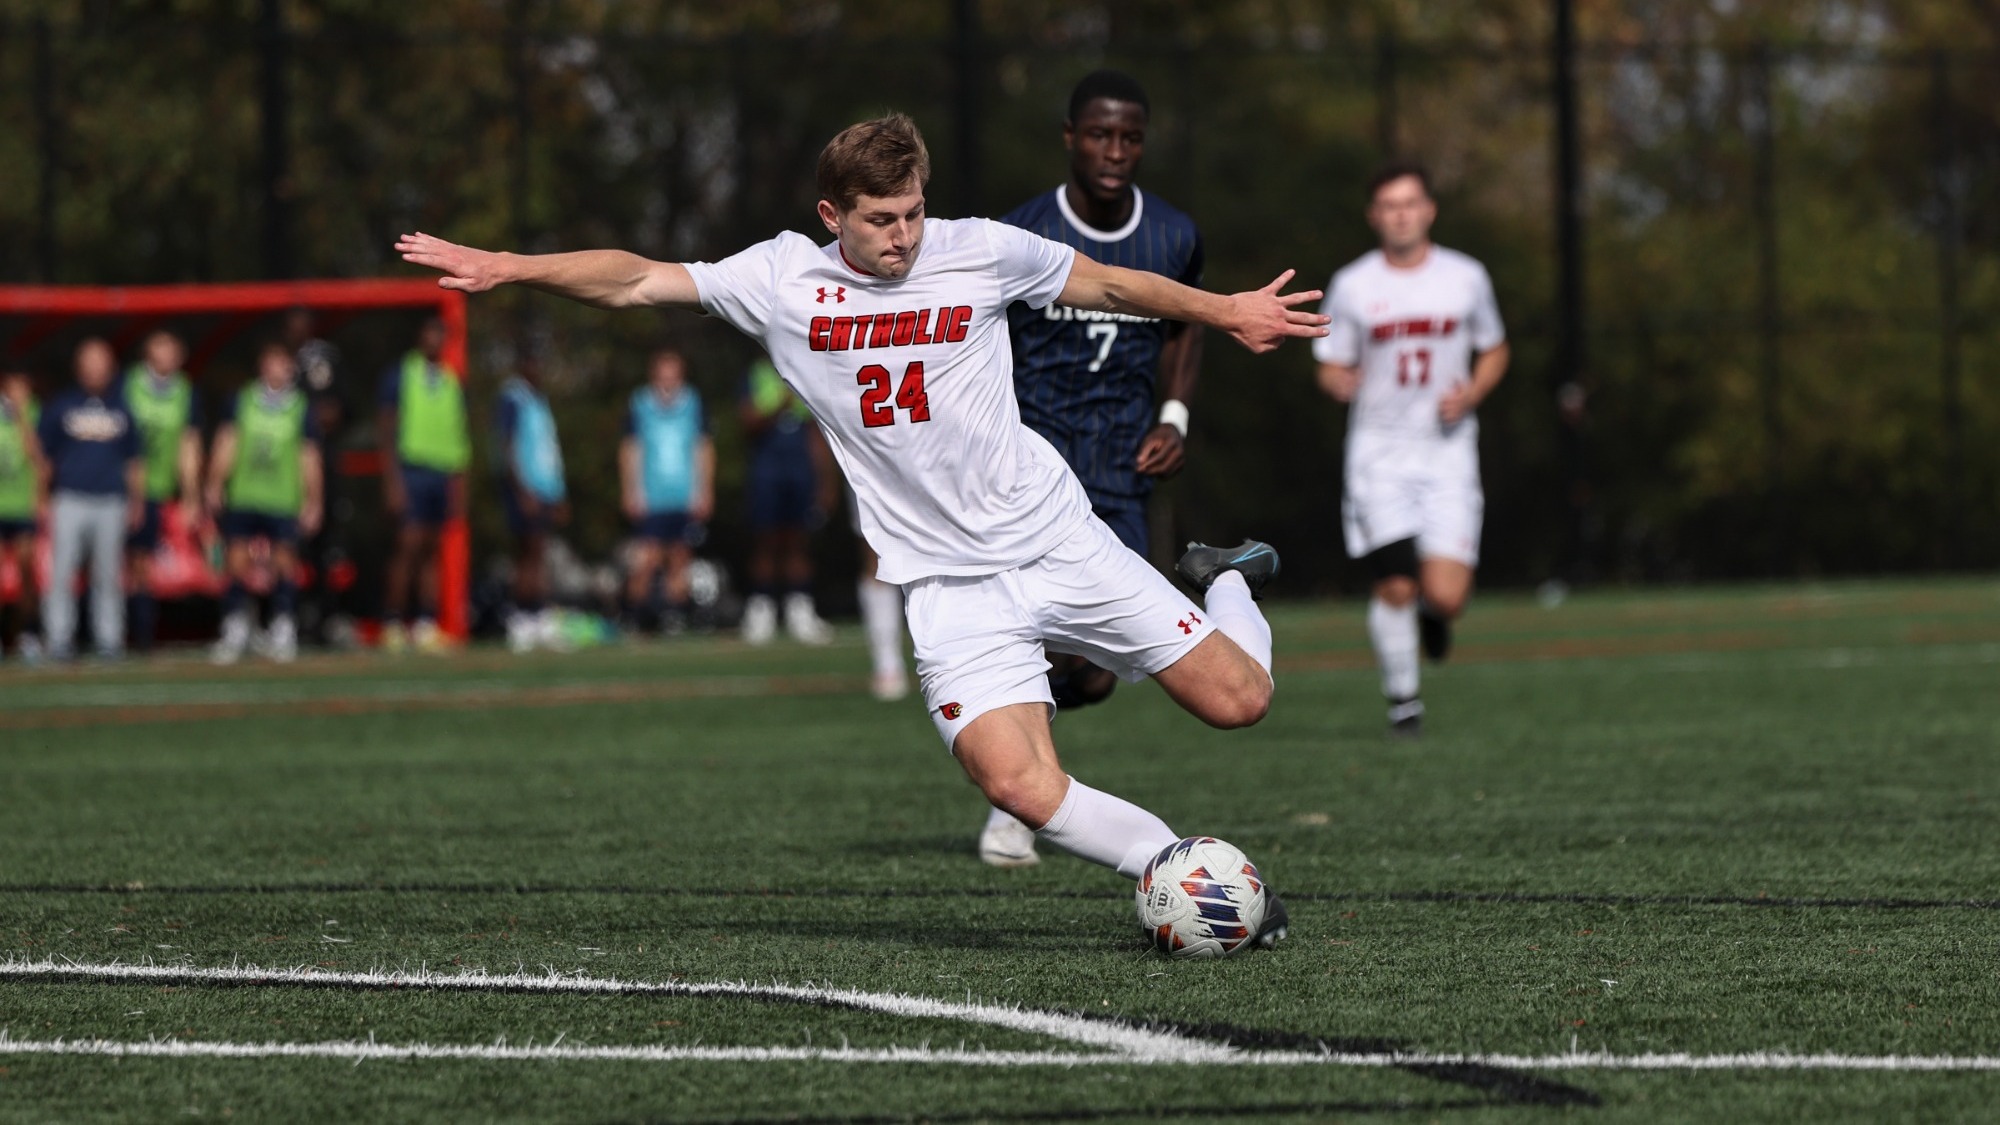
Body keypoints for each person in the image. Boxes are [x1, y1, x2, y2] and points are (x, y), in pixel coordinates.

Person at [396, 112, 1324, 948]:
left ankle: (1225, 578)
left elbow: (1113, 285)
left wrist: (1229, 310)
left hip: (1055, 538)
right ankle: (1183, 876)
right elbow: (636, 278)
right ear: (831, 213)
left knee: (1240, 701)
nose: (904, 237)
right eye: (882, 219)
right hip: (950, 589)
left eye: (914, 213)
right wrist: (510, 269)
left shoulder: (982, 250)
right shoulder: (780, 278)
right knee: (1019, 787)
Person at [977, 70, 1209, 868]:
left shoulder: (1173, 236)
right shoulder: (1022, 233)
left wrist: (1172, 419)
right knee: (1029, 637)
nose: (1116, 151)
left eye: (1131, 137)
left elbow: (1185, 329)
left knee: (1102, 671)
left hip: (1118, 465)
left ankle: (1026, 782)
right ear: (1070, 136)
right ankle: (1018, 800)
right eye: (1100, 135)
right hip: (1032, 463)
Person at [1313, 161, 1510, 737]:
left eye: (1411, 203)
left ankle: (1433, 617)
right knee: (1395, 582)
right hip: (1379, 455)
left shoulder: (1465, 276)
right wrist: (1337, 383)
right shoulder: (1354, 284)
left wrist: (1472, 391)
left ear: (1429, 210)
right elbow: (1330, 365)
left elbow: (1495, 348)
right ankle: (1404, 703)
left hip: (1447, 453)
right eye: (1390, 206)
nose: (1402, 214)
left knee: (1446, 597)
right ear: (1376, 217)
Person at [205, 341, 324, 664]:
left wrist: (314, 499)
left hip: (283, 497)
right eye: (273, 362)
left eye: (284, 364)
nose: (279, 370)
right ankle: (236, 627)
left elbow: (308, 455)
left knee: (285, 562)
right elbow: (227, 442)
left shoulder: (300, 407)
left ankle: (283, 626)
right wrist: (215, 482)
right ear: (262, 366)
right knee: (236, 561)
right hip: (246, 493)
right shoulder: (242, 400)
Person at [38, 339, 144, 661]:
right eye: (89, 361)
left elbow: (134, 461)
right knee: (61, 572)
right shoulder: (60, 405)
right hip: (69, 499)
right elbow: (45, 458)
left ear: (111, 367)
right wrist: (42, 498)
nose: (95, 368)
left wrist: (136, 500)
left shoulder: (122, 408)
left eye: (101, 361)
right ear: (78, 366)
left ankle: (109, 640)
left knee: (109, 575)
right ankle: (58, 639)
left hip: (111, 501)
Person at [376, 316, 469, 655]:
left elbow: (458, 435)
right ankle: (391, 622)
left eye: (441, 335)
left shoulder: (449, 380)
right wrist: (392, 480)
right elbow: (387, 429)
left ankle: (426, 623)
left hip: (440, 473)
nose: (435, 340)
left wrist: (458, 484)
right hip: (411, 469)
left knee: (431, 551)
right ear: (420, 336)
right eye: (431, 332)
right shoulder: (402, 374)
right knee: (407, 546)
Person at [739, 355, 834, 645]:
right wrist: (779, 403)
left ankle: (800, 608)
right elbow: (748, 422)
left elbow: (816, 430)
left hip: (800, 471)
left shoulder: (805, 366)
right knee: (767, 540)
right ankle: (762, 609)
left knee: (798, 541)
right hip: (768, 471)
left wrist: (826, 480)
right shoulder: (756, 373)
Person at [618, 348, 713, 635]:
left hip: (684, 494)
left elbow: (702, 448)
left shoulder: (692, 403)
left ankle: (674, 617)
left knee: (680, 558)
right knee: (646, 559)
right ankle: (633, 617)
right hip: (652, 495)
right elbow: (630, 449)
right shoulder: (641, 404)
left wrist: (704, 489)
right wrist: (631, 490)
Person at [121, 329, 203, 653]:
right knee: (123, 562)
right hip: (121, 490)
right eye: (160, 345)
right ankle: (111, 633)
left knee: (145, 564)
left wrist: (191, 494)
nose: (167, 353)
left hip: (158, 490)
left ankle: (142, 635)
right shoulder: (127, 385)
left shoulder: (185, 392)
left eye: (173, 347)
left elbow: (188, 446)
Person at [495, 342, 569, 652]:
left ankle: (538, 613)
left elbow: (548, 449)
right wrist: (522, 489)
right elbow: (508, 445)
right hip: (525, 488)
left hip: (545, 488)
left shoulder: (540, 399)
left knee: (540, 552)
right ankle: (522, 616)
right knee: (528, 553)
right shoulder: (513, 397)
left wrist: (559, 491)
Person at [284, 307, 351, 645]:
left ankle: (325, 616)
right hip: (283, 467)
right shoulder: (283, 361)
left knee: (325, 545)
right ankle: (287, 618)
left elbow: (335, 408)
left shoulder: (321, 358)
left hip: (318, 462)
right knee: (287, 546)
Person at [0, 368, 46, 663]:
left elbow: (38, 458)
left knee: (27, 572)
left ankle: (28, 633)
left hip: (24, 507)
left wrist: (23, 419)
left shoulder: (35, 414)